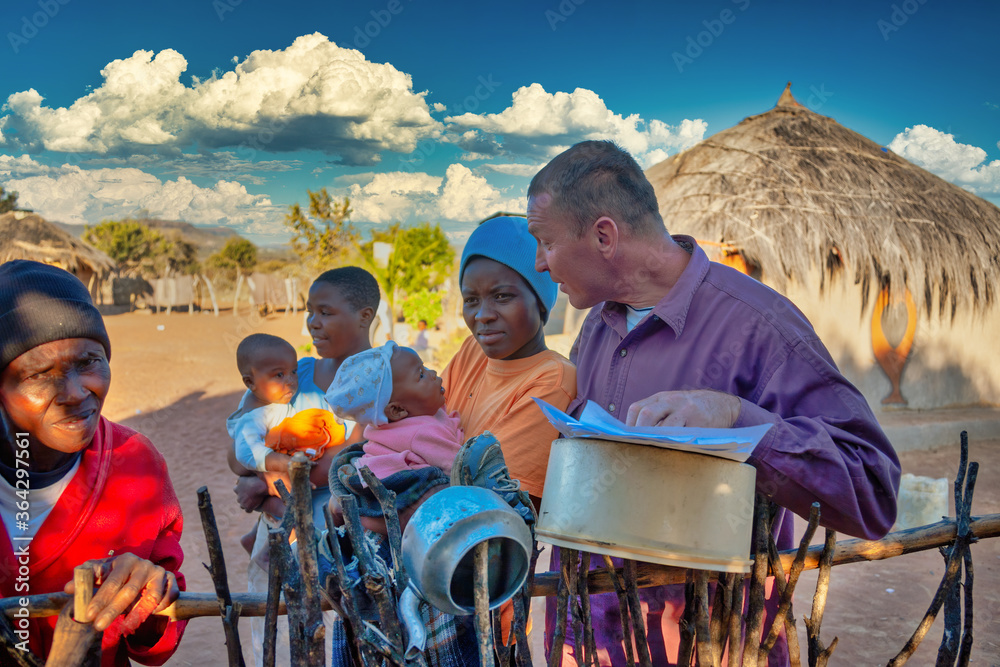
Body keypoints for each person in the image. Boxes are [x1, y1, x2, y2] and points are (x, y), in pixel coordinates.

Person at [526, 140, 901, 666]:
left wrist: (737, 419)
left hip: (706, 644)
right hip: (593, 634)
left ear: (604, 235)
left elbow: (874, 490)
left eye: (544, 242)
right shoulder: (597, 325)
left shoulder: (759, 326)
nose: (539, 264)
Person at [0, 260, 186, 666]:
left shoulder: (135, 462)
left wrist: (151, 595)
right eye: (37, 375)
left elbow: (158, 642)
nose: (74, 393)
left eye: (88, 362)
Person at [228, 266, 378, 667]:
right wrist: (259, 474)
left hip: (344, 530)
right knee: (271, 620)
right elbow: (240, 443)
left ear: (364, 316)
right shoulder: (298, 373)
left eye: (325, 312)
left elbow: (351, 456)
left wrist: (262, 485)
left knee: (345, 626)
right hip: (282, 523)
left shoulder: (379, 375)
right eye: (310, 311)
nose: (313, 322)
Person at [327, 341, 461, 491]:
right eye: (421, 375)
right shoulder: (422, 432)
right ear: (397, 410)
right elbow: (459, 467)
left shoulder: (419, 412)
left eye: (424, 367)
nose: (433, 373)